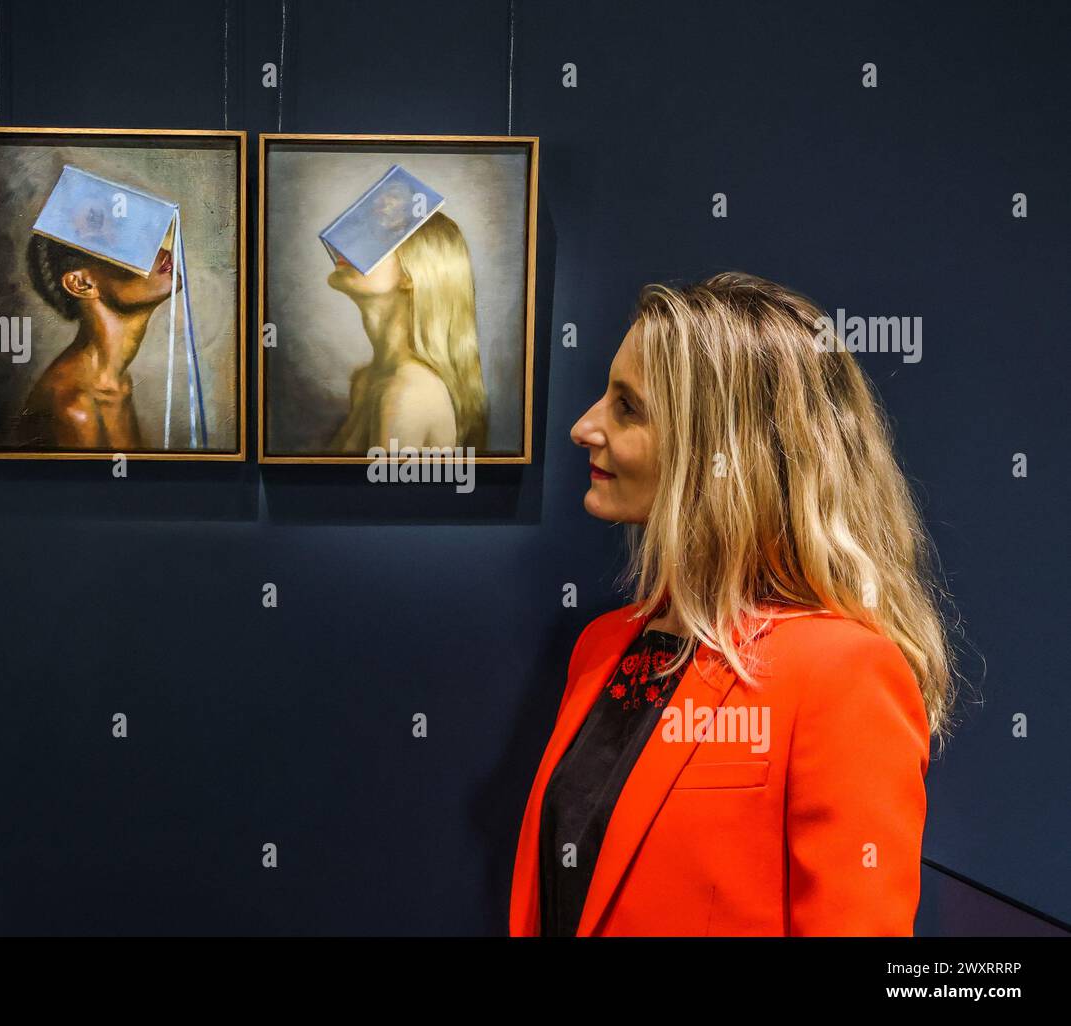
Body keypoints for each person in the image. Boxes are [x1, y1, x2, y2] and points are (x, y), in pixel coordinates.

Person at [510, 272, 959, 937]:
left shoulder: (843, 674)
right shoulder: (602, 647)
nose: (583, 427)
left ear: (721, 449)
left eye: (627, 407)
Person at [326, 211, 488, 452]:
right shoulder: (366, 380)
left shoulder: (407, 393)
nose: (349, 247)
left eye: (376, 241)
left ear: (410, 276)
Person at [17, 233, 178, 450]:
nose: (162, 250)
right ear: (81, 283)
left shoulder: (117, 384)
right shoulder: (74, 409)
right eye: (128, 245)